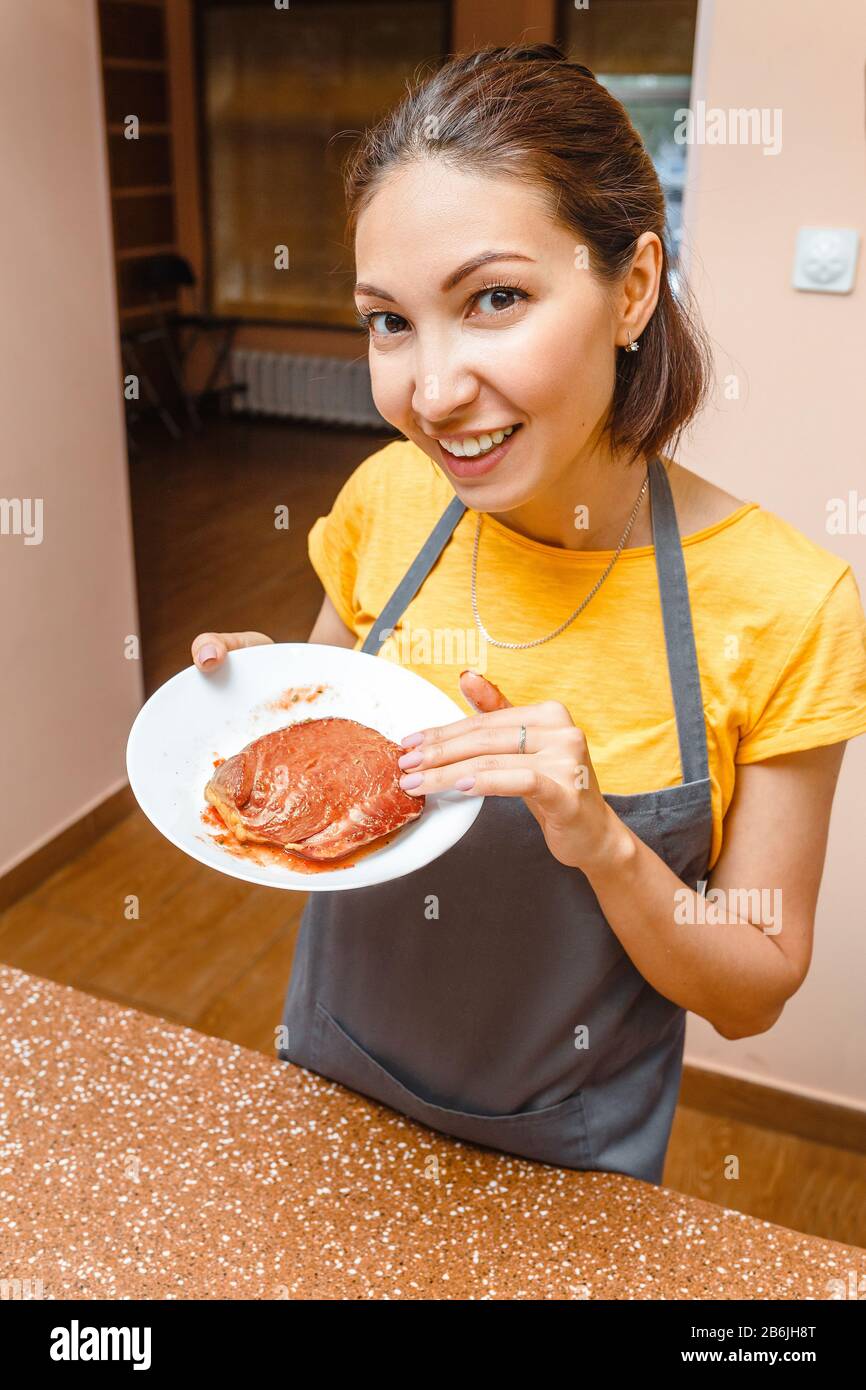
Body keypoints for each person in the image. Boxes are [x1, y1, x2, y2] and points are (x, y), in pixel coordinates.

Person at [190, 43, 866, 1185]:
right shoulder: (387, 500)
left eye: (492, 299)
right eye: (388, 322)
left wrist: (598, 838)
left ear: (633, 288)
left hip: (570, 1164)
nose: (432, 388)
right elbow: (315, 752)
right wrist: (258, 715)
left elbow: (751, 992)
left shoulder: (787, 604)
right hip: (330, 1090)